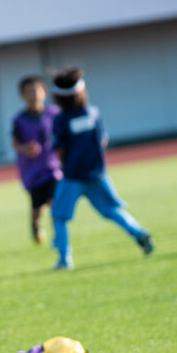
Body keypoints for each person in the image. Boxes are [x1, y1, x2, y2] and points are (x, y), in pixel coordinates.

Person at [49, 68, 154, 268]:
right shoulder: (93, 113)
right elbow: (103, 141)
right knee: (112, 210)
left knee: (59, 216)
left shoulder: (61, 120)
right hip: (97, 174)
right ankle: (139, 232)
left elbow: (60, 150)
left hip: (72, 176)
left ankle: (64, 259)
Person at [12, 74, 63, 244]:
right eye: (28, 92)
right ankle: (35, 226)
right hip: (33, 172)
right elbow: (15, 143)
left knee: (54, 204)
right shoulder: (19, 120)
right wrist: (25, 149)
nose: (33, 95)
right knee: (37, 210)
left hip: (53, 168)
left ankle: (58, 237)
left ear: (45, 92)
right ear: (22, 96)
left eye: (36, 91)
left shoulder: (54, 114)